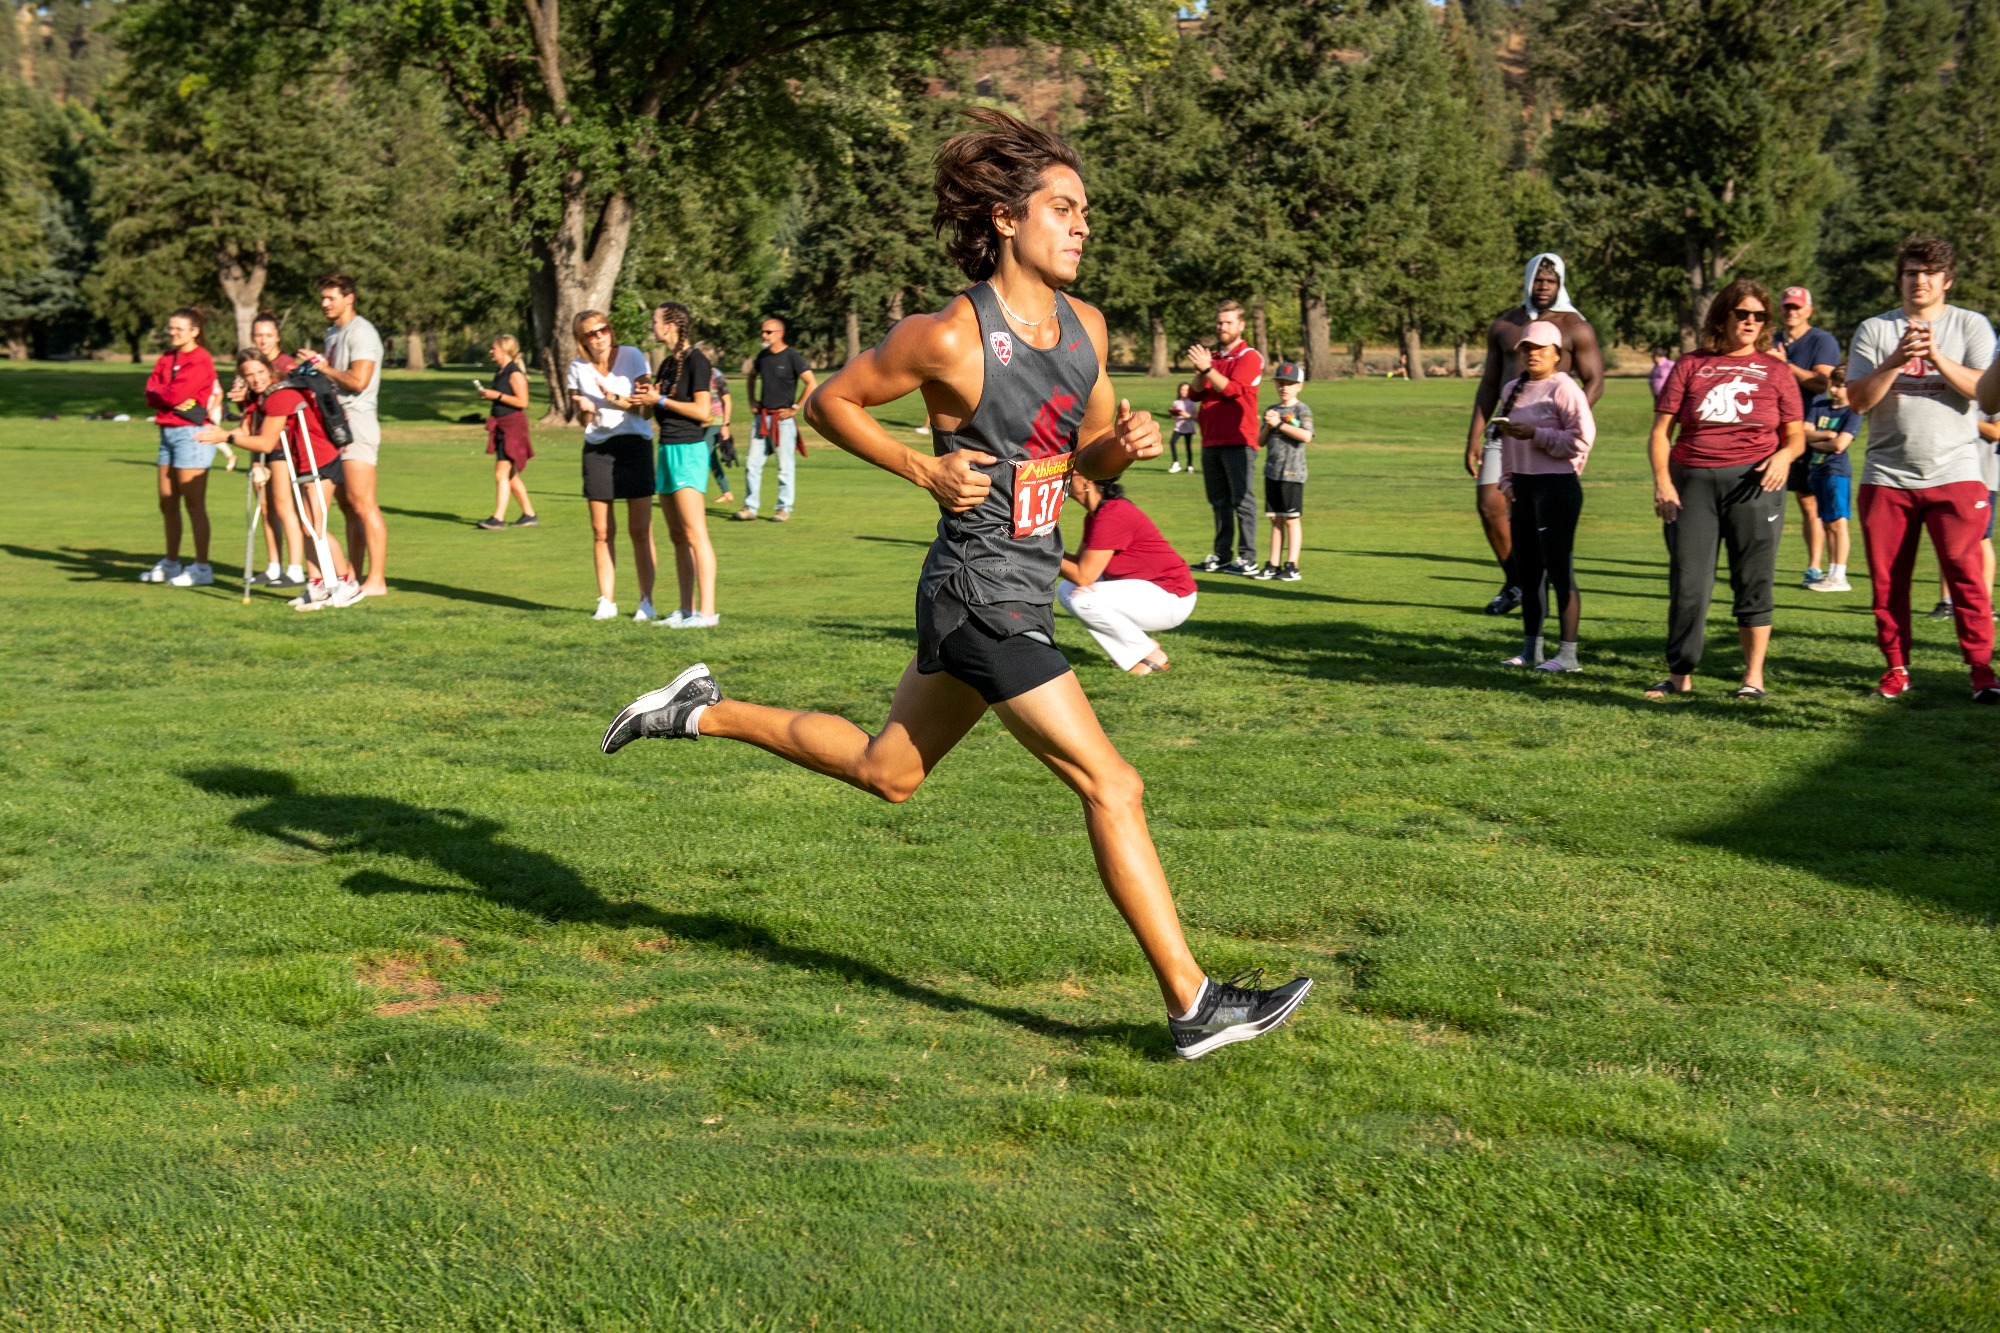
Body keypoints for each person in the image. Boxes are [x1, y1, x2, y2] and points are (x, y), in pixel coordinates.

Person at [600, 109, 1311, 1059]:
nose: (1082, 225)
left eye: (1085, 210)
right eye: (1064, 208)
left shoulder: (1088, 328)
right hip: (981, 590)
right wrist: (921, 468)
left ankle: (698, 709)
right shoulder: (948, 336)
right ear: (1010, 219)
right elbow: (828, 401)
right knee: (1114, 783)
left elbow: (1086, 454)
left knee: (886, 771)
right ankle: (1193, 1003)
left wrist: (1124, 443)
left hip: (1014, 578)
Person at [1847, 237, 1998, 702]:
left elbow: (1986, 395)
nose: (1920, 280)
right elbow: (1858, 400)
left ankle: (1981, 671)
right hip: (1886, 477)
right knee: (1888, 581)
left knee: (1966, 577)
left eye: (1930, 272)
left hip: (1956, 473)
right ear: (1901, 279)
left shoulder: (1970, 325)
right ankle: (1896, 669)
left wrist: (1935, 357)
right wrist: (1895, 360)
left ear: (1947, 281)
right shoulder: (1874, 329)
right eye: (1912, 272)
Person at [1645, 279, 1805, 700]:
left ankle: (1752, 678)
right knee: (1689, 582)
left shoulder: (1777, 371)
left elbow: (1795, 438)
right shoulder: (1690, 365)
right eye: (1742, 314)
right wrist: (1663, 481)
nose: (1751, 322)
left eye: (1759, 316)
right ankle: (1680, 674)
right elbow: (1662, 432)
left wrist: (1784, 458)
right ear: (1723, 316)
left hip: (1754, 485)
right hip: (1691, 483)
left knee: (1753, 580)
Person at [1467, 253, 1605, 615]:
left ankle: (1542, 588)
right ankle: (1517, 581)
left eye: (1550, 281)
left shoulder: (1575, 326)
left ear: (1560, 283)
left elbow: (1594, 381)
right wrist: (1474, 437)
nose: (1543, 287)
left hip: (1551, 435)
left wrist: (1567, 422)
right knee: (1489, 503)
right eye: (1537, 281)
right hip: (1506, 429)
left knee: (1542, 513)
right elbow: (1489, 383)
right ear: (1527, 281)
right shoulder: (1505, 326)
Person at [196, 350, 356, 608]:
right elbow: (249, 430)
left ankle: (348, 582)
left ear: (269, 370)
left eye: (260, 372)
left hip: (320, 458)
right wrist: (223, 433)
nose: (256, 378)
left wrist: (226, 438)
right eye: (249, 375)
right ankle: (317, 585)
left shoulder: (279, 396)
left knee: (316, 526)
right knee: (308, 526)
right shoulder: (261, 397)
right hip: (303, 461)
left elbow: (266, 442)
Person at [1491, 321, 1596, 671]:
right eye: (1526, 348)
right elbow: (1506, 447)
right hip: (1523, 489)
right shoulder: (1512, 390)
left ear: (1556, 353)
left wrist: (1536, 434)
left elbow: (1581, 440)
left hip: (1557, 486)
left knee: (1559, 570)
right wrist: (1507, 486)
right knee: (1530, 573)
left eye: (1539, 348)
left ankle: (1567, 656)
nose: (1532, 354)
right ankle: (1531, 651)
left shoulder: (1565, 387)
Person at [297, 274, 388, 599]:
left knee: (364, 504)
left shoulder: (361, 332)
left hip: (358, 423)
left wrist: (321, 367)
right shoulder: (334, 332)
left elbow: (359, 380)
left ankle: (377, 581)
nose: (324, 304)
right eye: (322, 298)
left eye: (330, 298)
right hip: (336, 424)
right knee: (348, 507)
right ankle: (354, 574)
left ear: (349, 298)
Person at [566, 310, 659, 621]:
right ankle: (606, 601)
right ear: (582, 340)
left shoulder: (633, 356)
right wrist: (586, 411)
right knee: (601, 530)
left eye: (603, 329)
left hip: (635, 445)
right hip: (598, 449)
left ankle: (646, 602)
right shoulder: (576, 368)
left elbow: (646, 412)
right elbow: (582, 419)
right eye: (591, 333)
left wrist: (617, 397)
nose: (599, 336)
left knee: (640, 530)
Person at [1057, 474, 1197, 673]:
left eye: (1071, 472)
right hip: (1147, 591)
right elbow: (1080, 566)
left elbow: (1083, 576)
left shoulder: (1112, 514)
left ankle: (1150, 654)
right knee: (1067, 589)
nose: (1062, 477)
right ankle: (1142, 647)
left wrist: (1037, 552)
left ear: (1088, 481)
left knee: (1082, 599)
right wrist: (1041, 549)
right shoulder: (1096, 515)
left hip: (1171, 598)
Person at [140, 307, 231, 587]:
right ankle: (171, 563)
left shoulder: (201, 359)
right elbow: (150, 392)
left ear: (195, 331)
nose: (173, 333)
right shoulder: (167, 357)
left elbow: (177, 393)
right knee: (167, 502)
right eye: (171, 328)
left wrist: (164, 394)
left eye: (179, 328)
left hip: (191, 434)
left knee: (194, 504)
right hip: (167, 432)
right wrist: (163, 394)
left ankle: (202, 567)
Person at [640, 302, 718, 628]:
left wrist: (659, 399)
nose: (652, 326)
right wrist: (644, 398)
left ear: (670, 324)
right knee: (676, 535)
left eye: (655, 321)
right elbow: (649, 414)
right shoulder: (668, 364)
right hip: (667, 449)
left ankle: (707, 612)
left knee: (695, 532)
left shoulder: (698, 361)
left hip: (689, 450)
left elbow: (704, 412)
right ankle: (686, 610)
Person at [1187, 299, 1264, 575]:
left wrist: (1207, 369)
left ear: (1241, 326)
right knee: (1218, 502)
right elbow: (1195, 394)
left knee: (1242, 500)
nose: (1222, 327)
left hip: (1239, 440)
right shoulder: (1214, 359)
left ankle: (1248, 558)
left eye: (1228, 322)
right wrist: (1200, 371)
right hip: (1211, 439)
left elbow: (1231, 390)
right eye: (1220, 322)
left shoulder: (1250, 357)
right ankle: (1221, 555)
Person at [1773, 287, 1842, 586]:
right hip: (1771, 429)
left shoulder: (1821, 341)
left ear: (1809, 311)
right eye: (1788, 307)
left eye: (1797, 307)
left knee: (1808, 500)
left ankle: (1814, 566)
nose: (1792, 312)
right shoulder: (1771, 338)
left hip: (1806, 430)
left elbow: (1822, 383)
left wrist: (1784, 366)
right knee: (1766, 499)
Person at [229, 313, 304, 587]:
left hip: (282, 442)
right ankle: (274, 565)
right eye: (258, 335)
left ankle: (296, 568)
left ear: (277, 337)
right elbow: (250, 406)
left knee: (285, 504)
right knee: (265, 504)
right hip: (257, 439)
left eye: (268, 335)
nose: (263, 340)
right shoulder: (250, 364)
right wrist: (242, 398)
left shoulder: (285, 365)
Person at [737, 317, 816, 521]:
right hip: (762, 418)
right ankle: (750, 507)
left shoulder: (793, 357)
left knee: (784, 467)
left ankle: (783, 508)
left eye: (768, 332)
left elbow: (811, 383)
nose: (764, 335)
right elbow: (752, 376)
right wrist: (752, 400)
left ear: (780, 333)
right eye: (763, 332)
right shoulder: (762, 356)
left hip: (783, 420)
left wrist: (795, 408)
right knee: (752, 464)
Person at [1802, 368, 1860, 594]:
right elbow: (1804, 434)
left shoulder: (1853, 411)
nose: (1834, 390)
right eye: (1832, 385)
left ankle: (1840, 575)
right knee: (1826, 523)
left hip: (1836, 472)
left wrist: (1818, 439)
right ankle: (1831, 571)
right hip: (1816, 471)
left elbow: (1840, 445)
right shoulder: (1819, 407)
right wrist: (1825, 436)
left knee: (1838, 523)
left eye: (1840, 385)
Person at [1254, 361, 1311, 582]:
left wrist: (1279, 424)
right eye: (1280, 383)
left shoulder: (1302, 410)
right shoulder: (1272, 410)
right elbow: (1260, 442)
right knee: (1275, 519)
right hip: (1272, 472)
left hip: (1292, 473)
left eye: (1289, 383)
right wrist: (1268, 424)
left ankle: (1292, 565)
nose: (1284, 388)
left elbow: (1306, 436)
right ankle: (1273, 563)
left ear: (1299, 386)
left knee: (1291, 519)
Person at [475, 334, 537, 530]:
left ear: (504, 350)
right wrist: (489, 395)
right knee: (509, 474)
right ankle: (529, 514)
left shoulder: (514, 373)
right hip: (501, 426)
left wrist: (497, 395)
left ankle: (498, 518)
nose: (491, 351)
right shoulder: (501, 372)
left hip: (513, 427)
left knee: (501, 472)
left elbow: (523, 402)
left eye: (494, 348)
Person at [701, 347, 736, 504]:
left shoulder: (716, 375)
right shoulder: (697, 375)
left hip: (715, 421)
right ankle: (727, 492)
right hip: (700, 422)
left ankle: (695, 494)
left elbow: (727, 400)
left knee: (702, 455)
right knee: (711, 458)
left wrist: (725, 425)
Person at [1166, 381, 1198, 474]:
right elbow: (1175, 413)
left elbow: (1195, 416)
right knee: (1172, 442)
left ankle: (1190, 465)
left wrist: (1186, 415)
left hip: (1188, 427)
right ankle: (1175, 463)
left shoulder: (1192, 403)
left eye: (1186, 390)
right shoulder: (1176, 402)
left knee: (1188, 447)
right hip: (1178, 427)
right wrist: (1174, 415)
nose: (1184, 392)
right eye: (1182, 389)